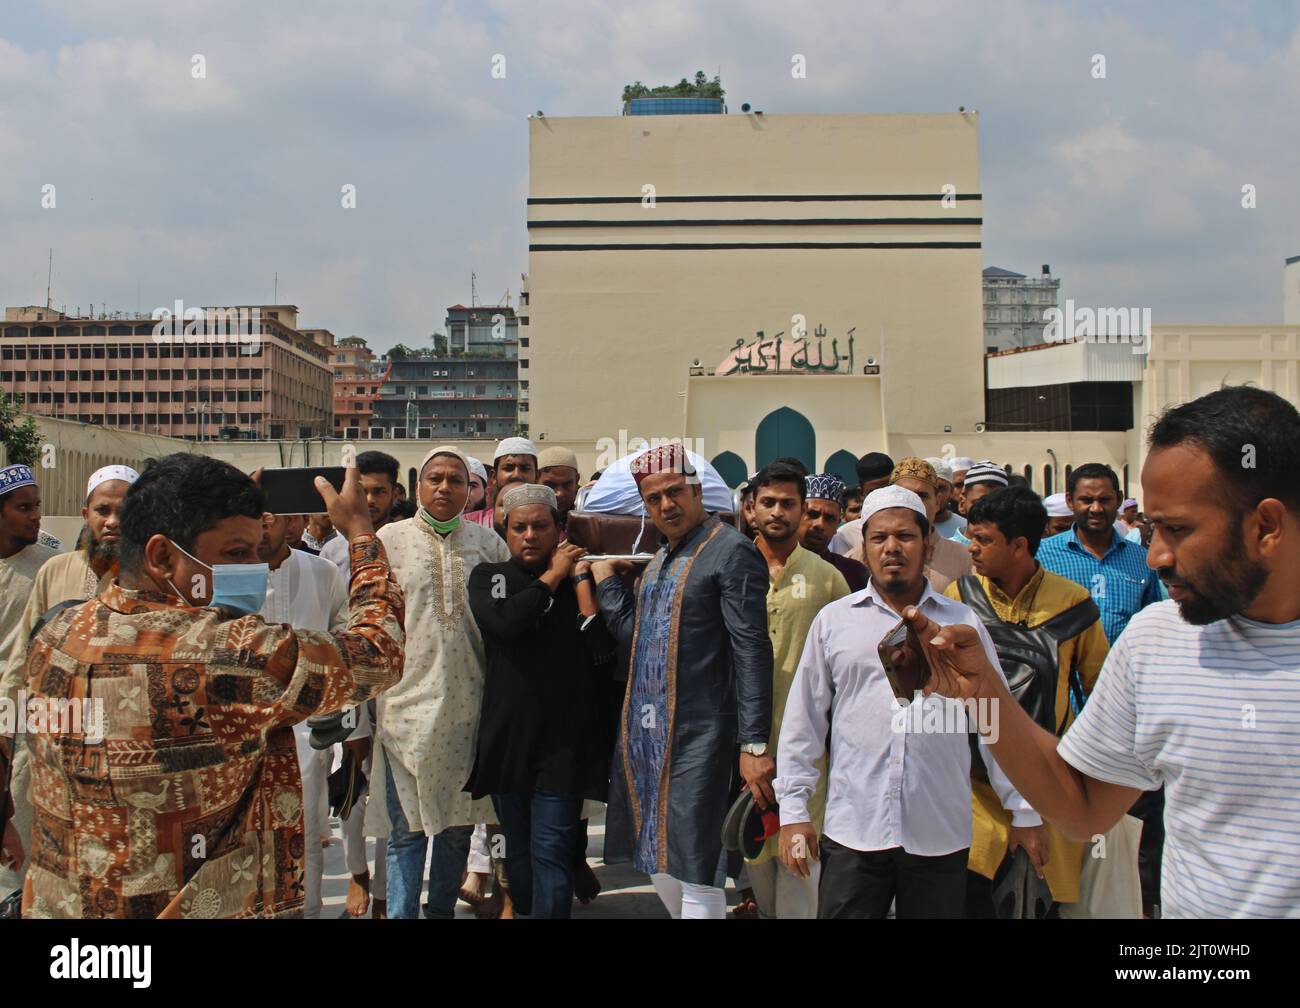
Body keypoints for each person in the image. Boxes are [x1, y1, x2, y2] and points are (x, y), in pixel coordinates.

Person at [913, 386, 1300, 918]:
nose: (1156, 555)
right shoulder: (1157, 641)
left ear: (1267, 526)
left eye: (1179, 529)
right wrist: (985, 693)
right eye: (1155, 527)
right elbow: (1083, 809)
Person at [8, 453, 403, 918]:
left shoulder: (57, 632)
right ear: (161, 555)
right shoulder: (232, 654)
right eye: (236, 554)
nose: (254, 568)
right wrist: (359, 532)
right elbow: (379, 652)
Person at [775, 485, 1036, 918]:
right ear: (865, 547)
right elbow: (804, 722)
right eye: (879, 538)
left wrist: (1023, 812)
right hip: (854, 827)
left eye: (905, 537)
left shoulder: (962, 623)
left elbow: (994, 720)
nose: (892, 548)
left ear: (928, 545)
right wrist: (794, 812)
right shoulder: (834, 623)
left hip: (938, 830)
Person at [592, 443, 773, 920]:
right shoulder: (660, 560)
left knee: (696, 860)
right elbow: (638, 637)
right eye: (654, 499)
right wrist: (609, 587)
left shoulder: (731, 552)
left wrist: (754, 744)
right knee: (657, 857)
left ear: (697, 491)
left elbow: (752, 649)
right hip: (648, 737)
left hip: (702, 734)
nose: (667, 505)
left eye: (675, 492)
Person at [944, 486, 1109, 915]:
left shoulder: (1071, 603)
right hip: (972, 791)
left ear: (1019, 546)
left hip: (1050, 788)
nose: (972, 549)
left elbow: (1102, 691)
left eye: (983, 540)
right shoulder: (958, 598)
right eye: (970, 537)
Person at [367, 446, 510, 919]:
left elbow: (503, 626)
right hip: (403, 712)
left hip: (470, 709)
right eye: (435, 479)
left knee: (455, 829)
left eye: (456, 480)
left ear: (471, 489)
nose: (445, 488)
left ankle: (441, 911)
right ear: (419, 486)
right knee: (407, 832)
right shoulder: (387, 540)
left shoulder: (489, 546)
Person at [466, 484, 617, 918]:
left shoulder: (580, 581)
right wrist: (554, 576)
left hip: (563, 744)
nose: (529, 535)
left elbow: (604, 650)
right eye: (519, 528)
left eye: (540, 526)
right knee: (517, 853)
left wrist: (583, 582)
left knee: (551, 848)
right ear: (505, 531)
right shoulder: (491, 576)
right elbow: (506, 621)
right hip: (508, 741)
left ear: (559, 530)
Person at [746, 462, 849, 918]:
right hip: (744, 746)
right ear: (750, 509)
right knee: (755, 859)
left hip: (808, 748)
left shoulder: (828, 579)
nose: (778, 512)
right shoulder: (732, 567)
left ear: (803, 510)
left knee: (801, 859)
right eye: (768, 502)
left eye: (789, 503)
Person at [257, 508, 349, 920]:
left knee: (305, 832)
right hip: (241, 732)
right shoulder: (217, 572)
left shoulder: (323, 573)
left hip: (304, 734)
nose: (261, 524)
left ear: (289, 520)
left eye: (269, 515)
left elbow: (343, 646)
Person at [0, 464, 59, 897]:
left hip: (23, 714)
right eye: (24, 507)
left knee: (18, 815)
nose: (35, 515)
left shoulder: (50, 565)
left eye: (37, 506)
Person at [1037, 463, 1163, 645]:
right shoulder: (1042, 555)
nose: (1096, 508)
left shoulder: (1142, 559)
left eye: (1104, 500)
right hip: (1063, 672)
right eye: (1086, 500)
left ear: (1119, 499)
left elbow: (1151, 626)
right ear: (1070, 501)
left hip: (1123, 671)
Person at [830, 458, 973, 592]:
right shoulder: (856, 560)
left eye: (922, 496)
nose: (914, 503)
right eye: (906, 495)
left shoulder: (965, 559)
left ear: (937, 502)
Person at [321, 451, 400, 574]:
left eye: (378, 491)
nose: (369, 500)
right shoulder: (332, 551)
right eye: (361, 492)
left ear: (394, 495)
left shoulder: (408, 544)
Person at [799, 474, 867, 592]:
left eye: (829, 518)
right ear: (796, 515)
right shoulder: (771, 566)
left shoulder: (854, 572)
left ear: (837, 524)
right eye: (812, 514)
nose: (820, 524)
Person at [465, 437, 538, 531]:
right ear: (494, 476)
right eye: (508, 468)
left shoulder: (548, 525)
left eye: (525, 468)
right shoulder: (469, 523)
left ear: (537, 476)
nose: (516, 475)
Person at [925, 457, 967, 541]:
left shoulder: (965, 528)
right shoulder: (907, 527)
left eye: (941, 488)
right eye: (929, 487)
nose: (936, 494)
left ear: (951, 491)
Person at [537, 447, 581, 529]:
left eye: (566, 485)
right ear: (536, 480)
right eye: (550, 485)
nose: (559, 494)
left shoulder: (587, 513)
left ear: (577, 480)